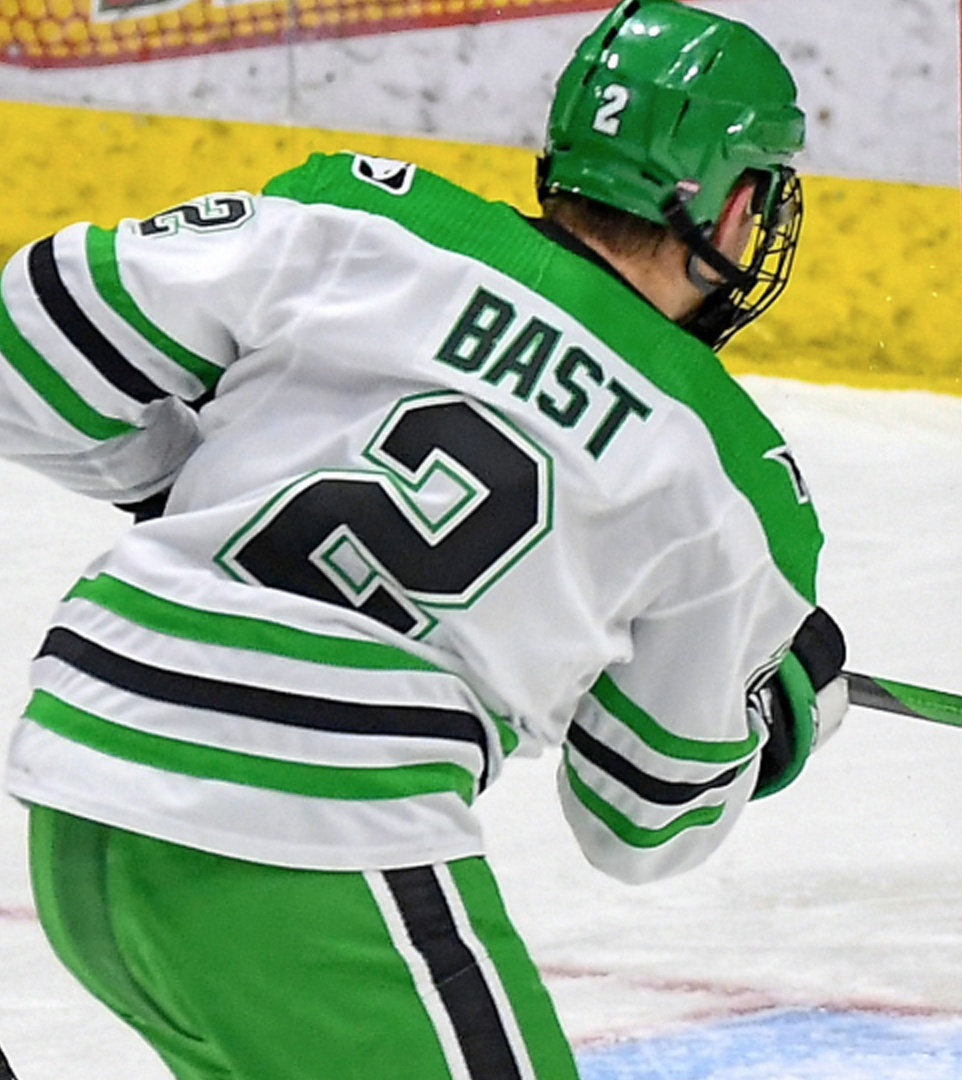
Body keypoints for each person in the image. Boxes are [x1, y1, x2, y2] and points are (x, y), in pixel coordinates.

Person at [0, 2, 845, 1077]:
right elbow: (641, 818)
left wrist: (194, 486)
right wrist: (778, 714)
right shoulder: (735, 481)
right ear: (735, 212)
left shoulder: (358, 221)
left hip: (79, 785)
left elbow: (28, 347)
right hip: (301, 834)